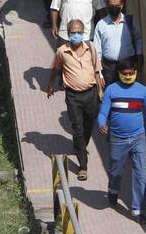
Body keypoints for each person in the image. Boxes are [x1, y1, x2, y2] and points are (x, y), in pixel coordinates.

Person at [97, 59, 146, 224]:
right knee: (115, 172)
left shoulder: (143, 91)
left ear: (136, 72)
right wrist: (102, 124)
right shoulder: (111, 90)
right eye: (125, 74)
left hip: (139, 139)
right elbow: (103, 113)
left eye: (131, 73)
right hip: (118, 139)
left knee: (140, 174)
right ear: (119, 73)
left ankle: (138, 210)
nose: (128, 76)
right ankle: (113, 189)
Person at [44, 18, 104, 181]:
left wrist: (100, 90)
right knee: (77, 128)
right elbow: (55, 68)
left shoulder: (91, 48)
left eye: (79, 32)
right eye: (73, 32)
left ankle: (81, 145)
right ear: (68, 33)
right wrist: (50, 84)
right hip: (73, 96)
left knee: (89, 123)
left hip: (91, 93)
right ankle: (83, 166)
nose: (76, 35)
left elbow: (97, 70)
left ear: (83, 33)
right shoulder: (62, 51)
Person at [91, 0, 142, 86]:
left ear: (122, 5)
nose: (114, 8)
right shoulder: (101, 24)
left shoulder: (130, 21)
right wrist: (100, 74)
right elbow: (97, 50)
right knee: (110, 92)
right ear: (107, 5)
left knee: (129, 91)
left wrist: (139, 57)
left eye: (117, 5)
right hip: (108, 68)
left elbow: (138, 40)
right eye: (111, 5)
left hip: (128, 67)